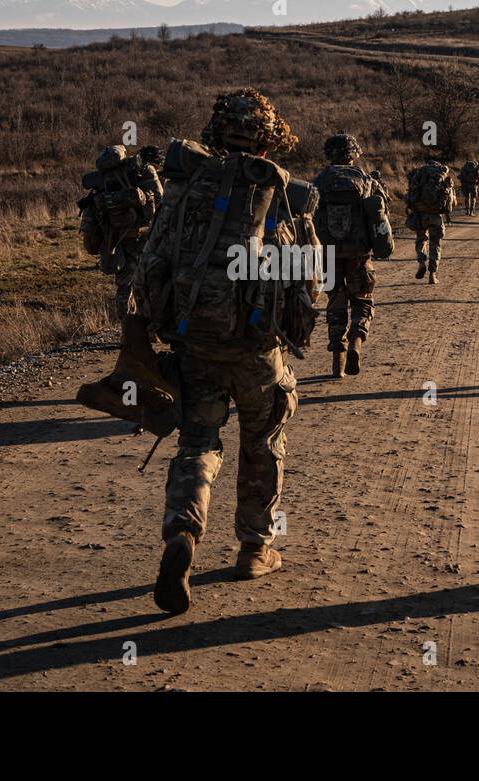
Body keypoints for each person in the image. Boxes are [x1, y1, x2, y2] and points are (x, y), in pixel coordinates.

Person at [133, 89, 318, 615]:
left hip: (195, 342)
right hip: (257, 350)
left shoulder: (185, 188)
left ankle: (182, 531)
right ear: (268, 141)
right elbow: (307, 280)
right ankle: (255, 549)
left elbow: (150, 266)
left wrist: (151, 331)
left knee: (197, 442)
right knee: (263, 442)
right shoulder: (281, 192)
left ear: (216, 133)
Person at [312, 134, 394, 378]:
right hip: (359, 253)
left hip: (328, 253)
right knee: (362, 299)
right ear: (354, 154)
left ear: (329, 154)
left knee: (335, 300)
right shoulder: (366, 180)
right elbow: (382, 214)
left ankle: (337, 356)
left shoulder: (319, 181)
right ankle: (356, 342)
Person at [78, 144, 163, 319]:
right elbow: (161, 201)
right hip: (146, 238)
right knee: (153, 284)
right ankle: (150, 326)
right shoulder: (142, 172)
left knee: (125, 288)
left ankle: (128, 328)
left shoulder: (102, 183)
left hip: (118, 242)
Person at [405, 154, 454, 285]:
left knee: (421, 240)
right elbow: (450, 202)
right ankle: (432, 274)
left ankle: (421, 261)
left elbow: (410, 196)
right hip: (435, 215)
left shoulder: (419, 175)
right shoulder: (442, 175)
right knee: (435, 244)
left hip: (420, 214)